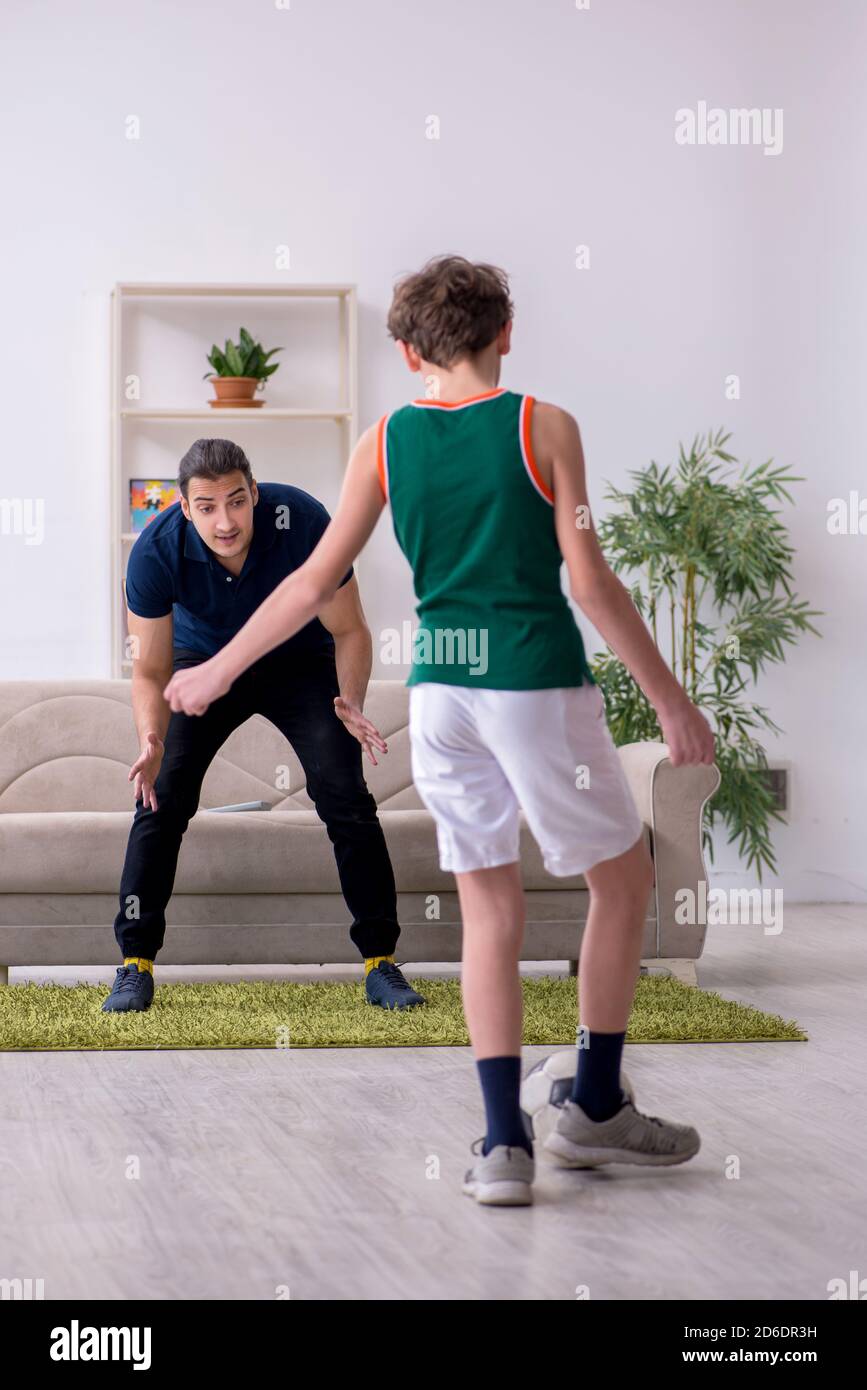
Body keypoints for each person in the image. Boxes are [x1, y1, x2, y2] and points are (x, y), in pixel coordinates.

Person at [163, 256, 717, 1207]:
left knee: (486, 911)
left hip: (440, 696)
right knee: (623, 879)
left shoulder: (383, 441)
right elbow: (587, 582)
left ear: (407, 349)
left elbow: (310, 583)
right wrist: (669, 699)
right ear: (507, 332)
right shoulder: (544, 424)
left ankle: (503, 1145)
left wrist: (215, 668)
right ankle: (590, 1104)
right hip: (531, 685)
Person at [104, 438, 424, 1014]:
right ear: (183, 508)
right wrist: (151, 736)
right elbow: (150, 669)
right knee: (161, 796)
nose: (224, 521)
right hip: (201, 668)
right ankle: (135, 964)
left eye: (235, 501)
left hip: (299, 663)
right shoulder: (155, 553)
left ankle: (381, 962)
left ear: (255, 493)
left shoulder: (301, 522)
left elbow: (350, 631)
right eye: (206, 506)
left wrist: (350, 700)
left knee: (345, 796)